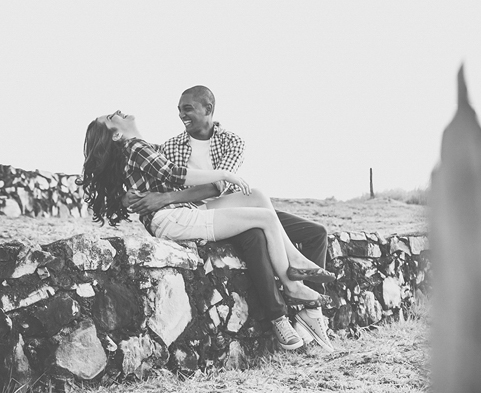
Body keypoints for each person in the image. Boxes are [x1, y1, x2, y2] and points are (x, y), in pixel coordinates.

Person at [81, 110, 334, 352]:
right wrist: (225, 175)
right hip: (174, 218)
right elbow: (172, 173)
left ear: (208, 110)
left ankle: (297, 264)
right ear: (116, 134)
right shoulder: (136, 146)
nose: (119, 111)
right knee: (265, 220)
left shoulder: (146, 148)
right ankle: (291, 287)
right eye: (112, 117)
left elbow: (148, 177)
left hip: (185, 211)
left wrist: (127, 196)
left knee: (257, 196)